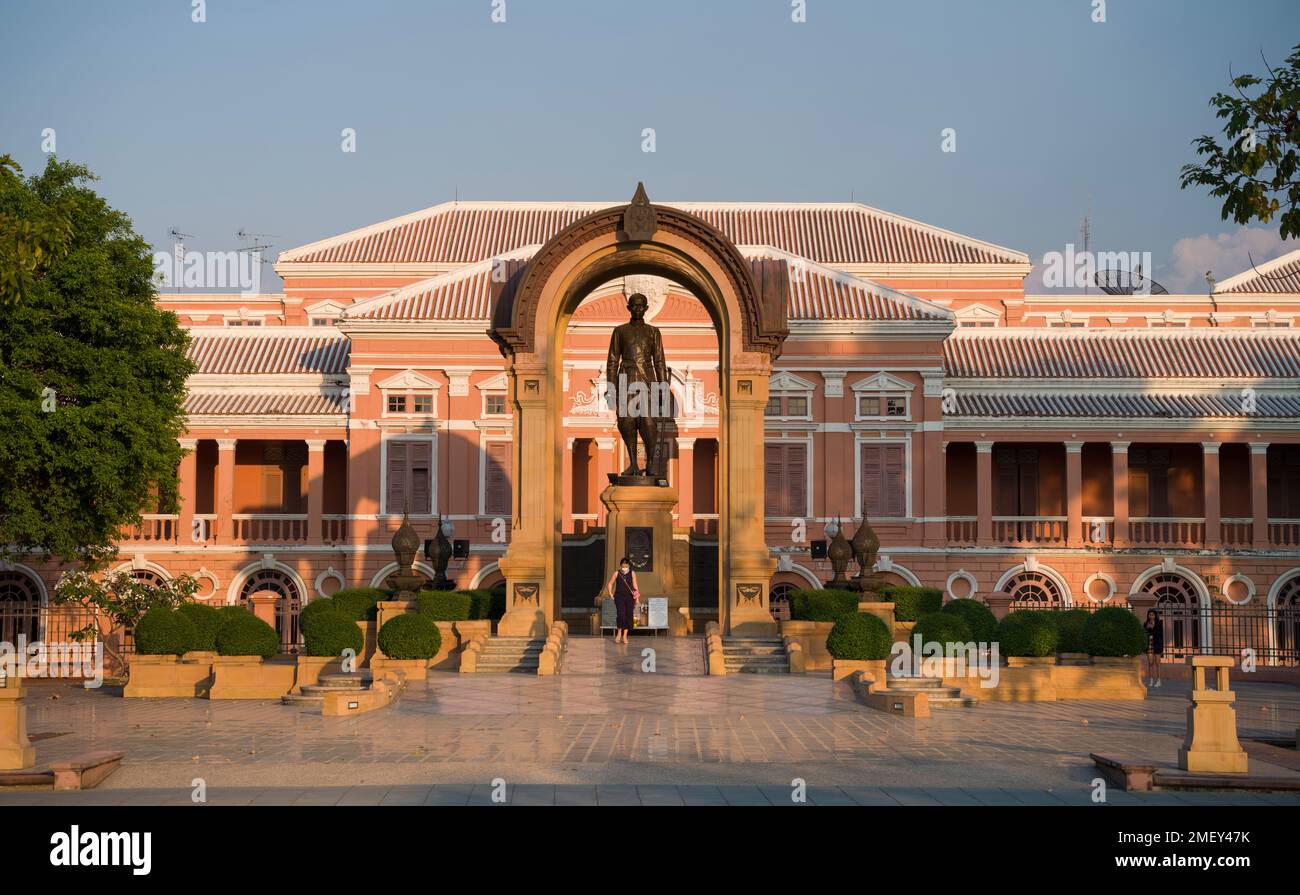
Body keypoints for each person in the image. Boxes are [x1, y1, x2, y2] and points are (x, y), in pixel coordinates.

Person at [604, 557, 639, 643]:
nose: (624, 568)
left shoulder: (632, 573)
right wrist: (610, 593)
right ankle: (619, 633)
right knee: (621, 615)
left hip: (630, 597)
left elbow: (635, 586)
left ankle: (625, 636)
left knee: (628, 616)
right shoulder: (617, 573)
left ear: (629, 566)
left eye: (626, 566)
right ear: (620, 566)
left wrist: (637, 599)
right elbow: (610, 583)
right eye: (623, 566)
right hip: (619, 597)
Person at [1144, 608, 1164, 688]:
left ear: (1155, 615)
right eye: (1149, 615)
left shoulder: (1159, 624)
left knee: (1157, 663)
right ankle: (1151, 680)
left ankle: (1159, 680)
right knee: (1150, 663)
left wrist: (1152, 628)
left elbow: (1159, 634)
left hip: (1157, 644)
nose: (1151, 616)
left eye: (1152, 614)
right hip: (1149, 644)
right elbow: (1144, 633)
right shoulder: (1146, 624)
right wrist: (1147, 628)